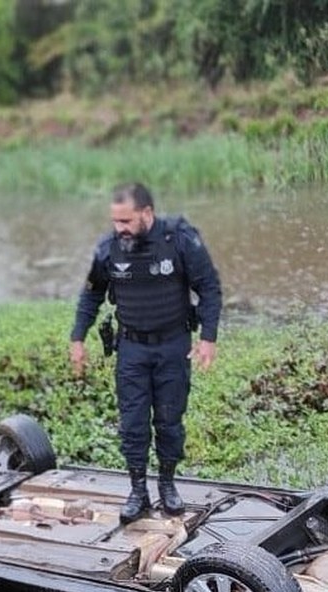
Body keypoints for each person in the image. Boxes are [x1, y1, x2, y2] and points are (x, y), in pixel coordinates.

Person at [69, 182, 223, 523]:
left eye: (126, 221)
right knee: (133, 424)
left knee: (169, 421)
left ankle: (167, 484)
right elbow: (91, 296)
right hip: (131, 348)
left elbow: (209, 288)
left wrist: (208, 337)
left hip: (173, 346)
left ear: (147, 213)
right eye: (115, 221)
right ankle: (138, 490)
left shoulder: (180, 241)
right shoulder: (109, 249)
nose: (119, 228)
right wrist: (78, 338)